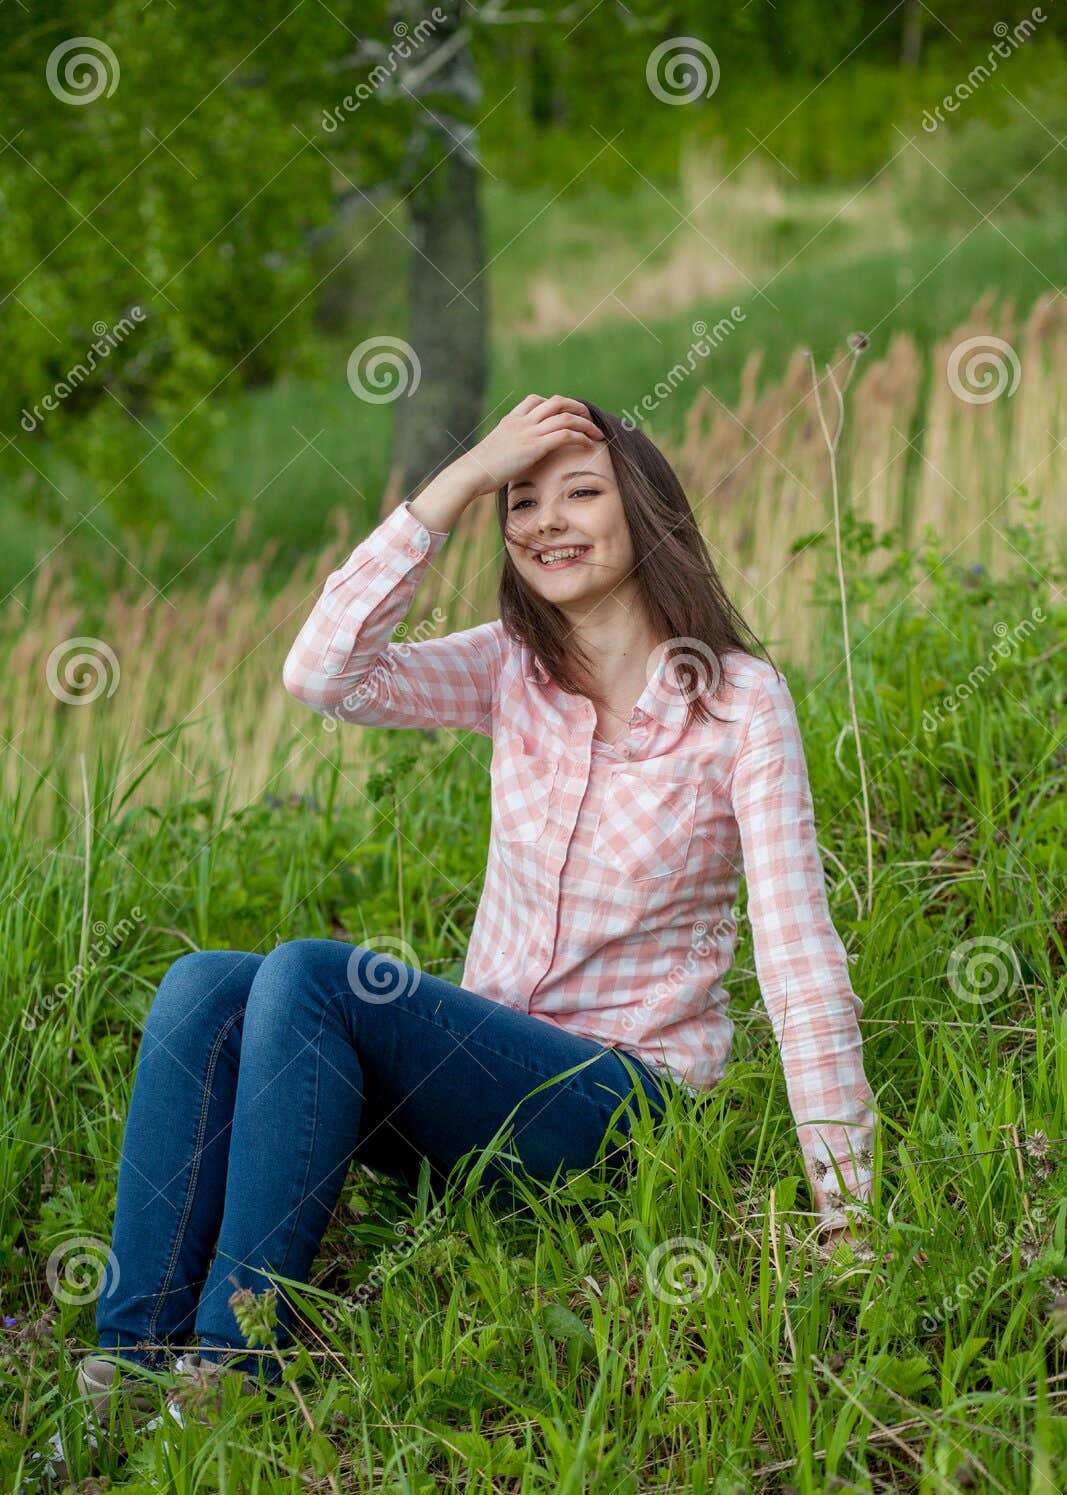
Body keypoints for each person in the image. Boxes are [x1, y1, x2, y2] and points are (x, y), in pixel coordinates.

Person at [81, 391, 876, 1422]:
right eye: (520, 501)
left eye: (579, 493)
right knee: (204, 986)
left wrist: (847, 1215)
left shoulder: (734, 702)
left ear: (647, 513)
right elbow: (323, 674)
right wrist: (453, 485)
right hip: (477, 1095)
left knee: (314, 975)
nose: (545, 521)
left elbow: (796, 953)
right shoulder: (513, 668)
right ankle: (130, 1359)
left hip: (620, 1108)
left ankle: (235, 1370)